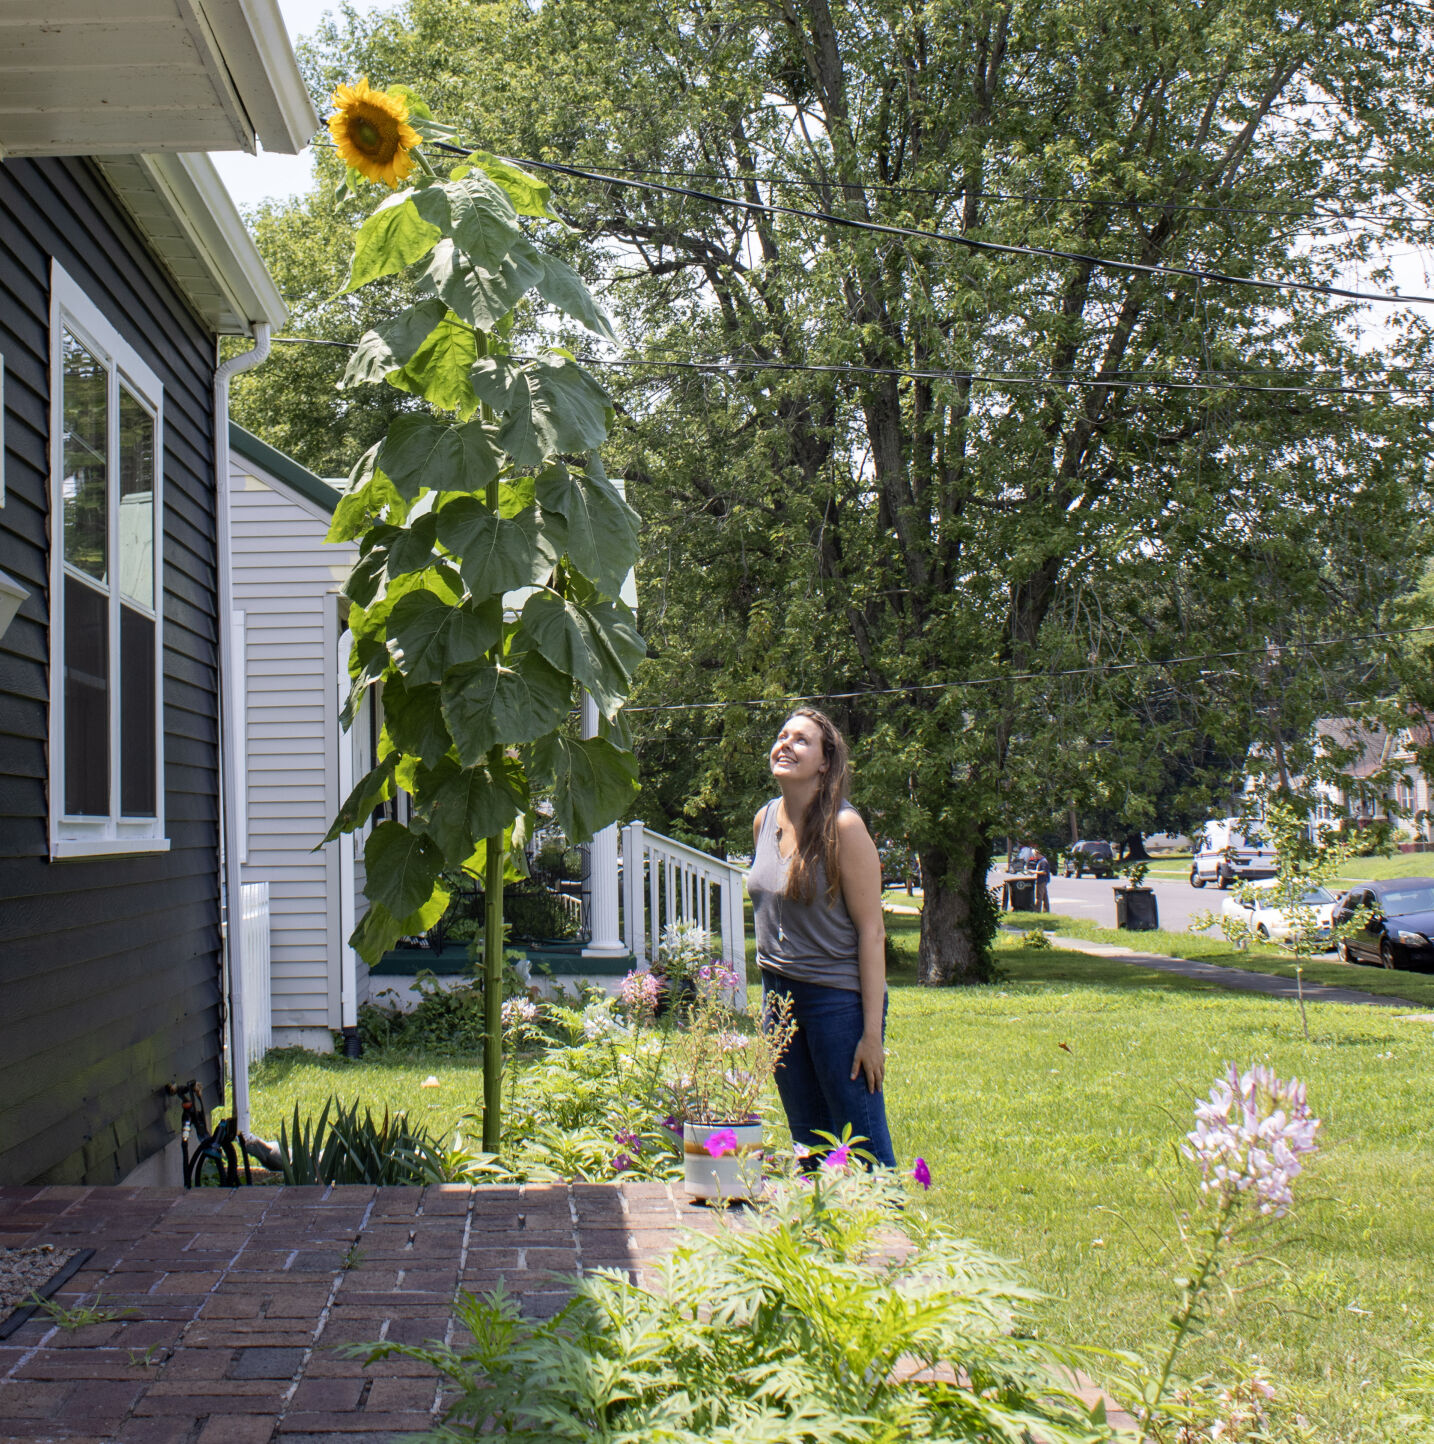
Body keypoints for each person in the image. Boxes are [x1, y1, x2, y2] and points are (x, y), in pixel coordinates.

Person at [748, 708, 897, 1169]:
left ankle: (887, 1236)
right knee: (809, 1145)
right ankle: (820, 1236)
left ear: (825, 762)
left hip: (837, 1003)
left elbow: (872, 932)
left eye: (802, 740)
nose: (786, 744)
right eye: (782, 736)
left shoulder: (844, 828)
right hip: (779, 997)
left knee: (862, 1146)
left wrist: (872, 1036)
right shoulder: (764, 820)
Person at [1031, 848, 1051, 912]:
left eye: (1035, 855)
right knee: (1045, 896)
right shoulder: (1041, 861)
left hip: (1042, 880)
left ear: (1038, 854)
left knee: (1039, 896)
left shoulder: (1043, 861)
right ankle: (1046, 910)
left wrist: (1034, 872)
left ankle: (1037, 910)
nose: (1034, 856)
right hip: (1042, 880)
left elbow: (1044, 872)